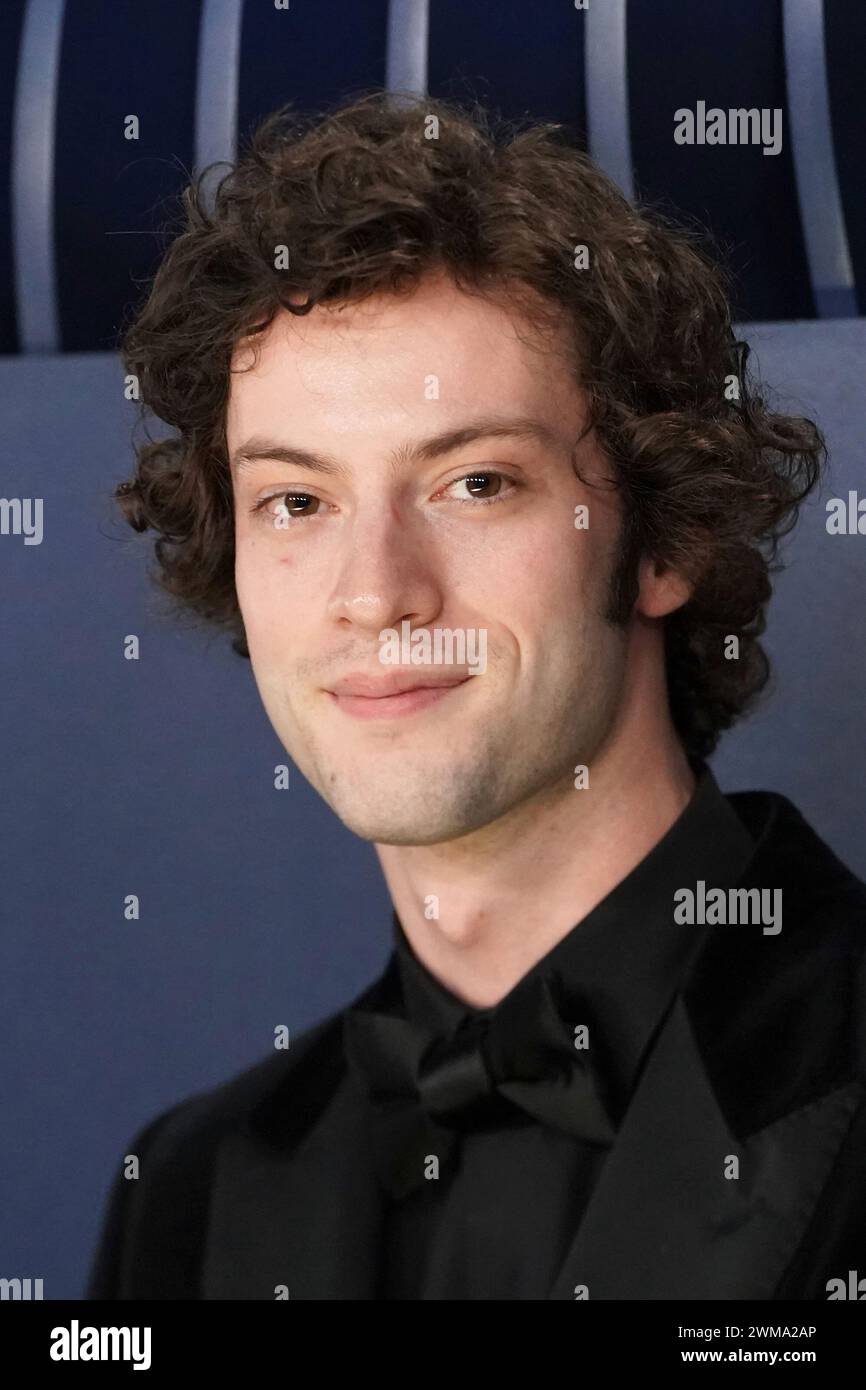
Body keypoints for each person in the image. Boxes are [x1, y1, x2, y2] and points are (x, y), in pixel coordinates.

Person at [87, 90, 866, 1301]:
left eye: (475, 483)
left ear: (661, 541)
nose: (373, 593)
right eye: (295, 501)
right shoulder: (183, 1197)